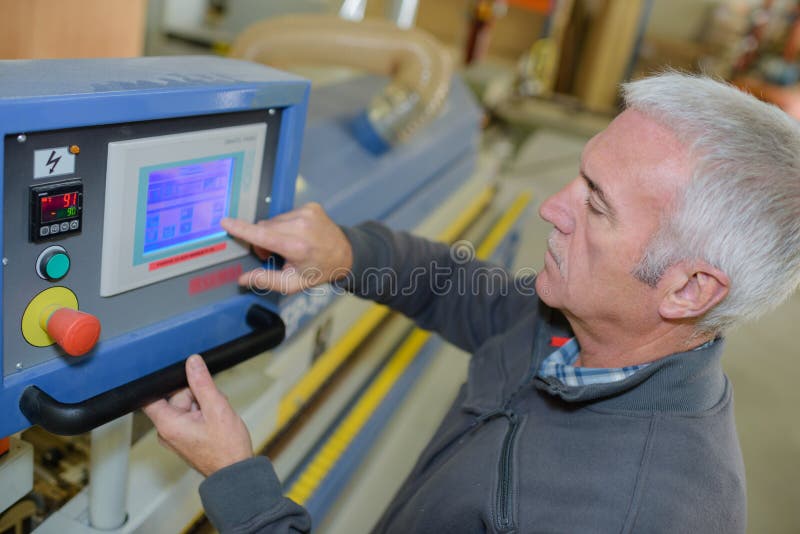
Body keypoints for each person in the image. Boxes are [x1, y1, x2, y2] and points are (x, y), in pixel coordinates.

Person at [143, 72, 800, 533]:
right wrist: (346, 251)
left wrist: (236, 481)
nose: (552, 207)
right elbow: (453, 287)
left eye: (596, 205)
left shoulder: (627, 515)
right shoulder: (578, 333)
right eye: (580, 176)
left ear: (689, 289)